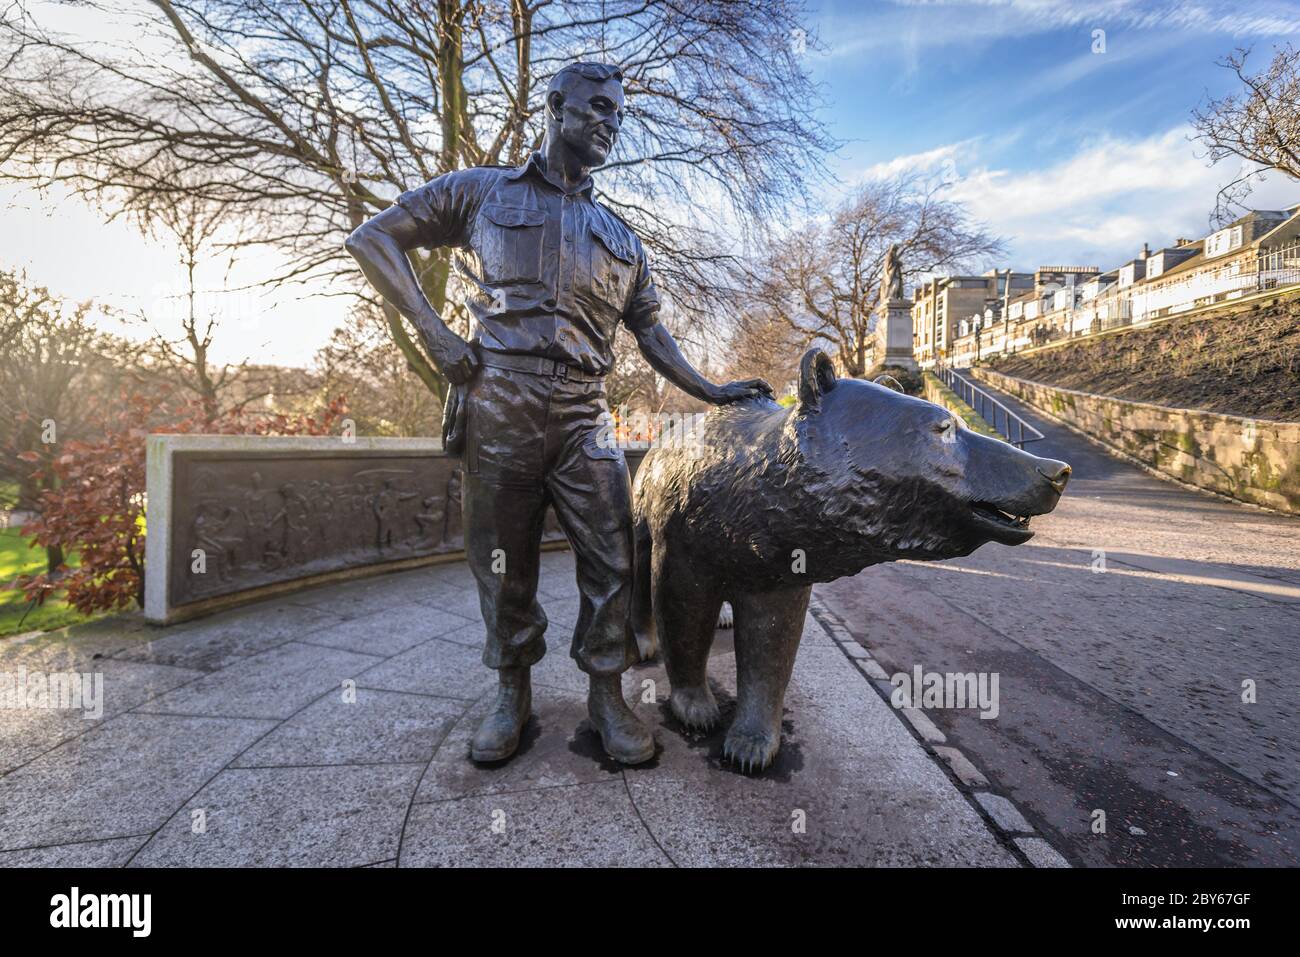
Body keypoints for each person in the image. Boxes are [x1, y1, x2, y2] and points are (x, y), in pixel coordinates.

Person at [345, 61, 771, 765]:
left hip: (584, 412)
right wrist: (436, 332)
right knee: (501, 561)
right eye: (599, 107)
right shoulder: (481, 191)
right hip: (497, 401)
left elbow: (653, 333)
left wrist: (714, 390)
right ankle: (511, 691)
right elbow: (373, 237)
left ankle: (607, 693)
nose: (612, 122)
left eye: (620, 114)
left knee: (612, 555)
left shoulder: (623, 237)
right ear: (555, 107)